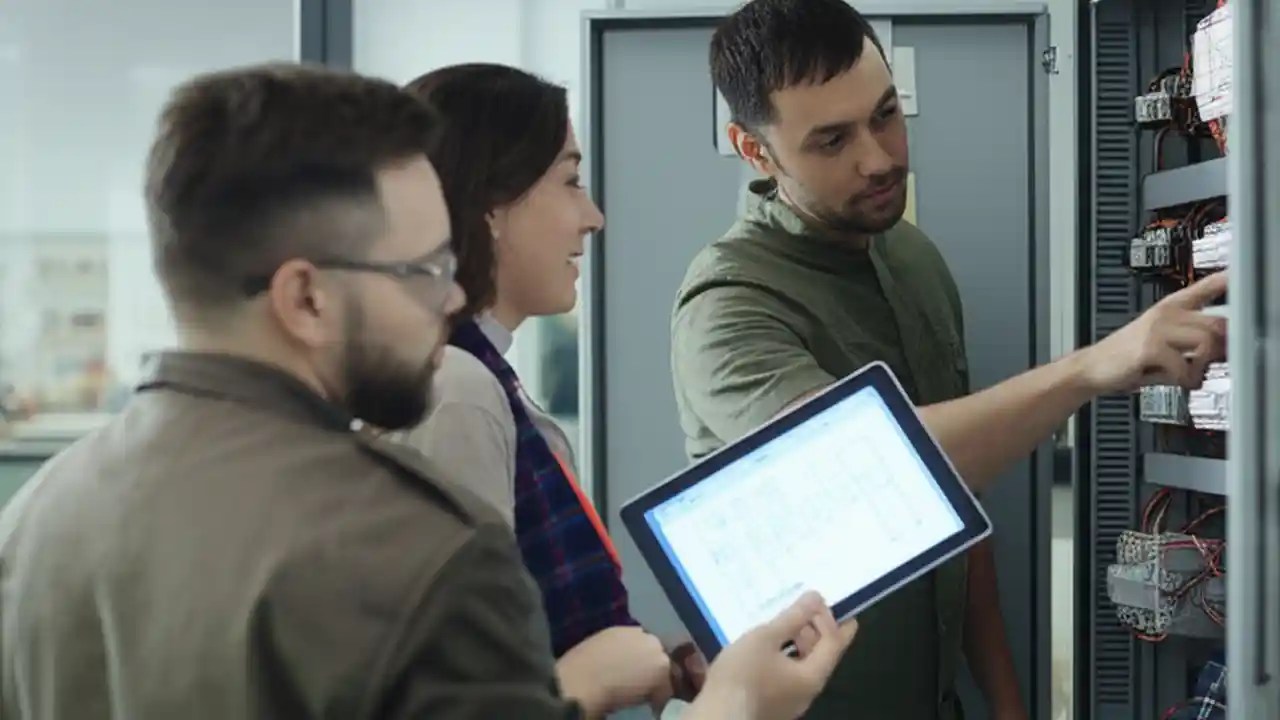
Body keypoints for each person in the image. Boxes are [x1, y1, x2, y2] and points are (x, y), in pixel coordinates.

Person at [0, 62, 855, 720]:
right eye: (423, 271)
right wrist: (733, 709)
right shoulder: (414, 553)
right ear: (304, 297)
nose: (450, 299)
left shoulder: (31, 524)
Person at [670, 1, 1229, 719]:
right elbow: (868, 466)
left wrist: (1006, 706)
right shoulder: (728, 303)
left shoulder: (912, 259)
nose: (878, 157)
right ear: (755, 150)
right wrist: (1095, 367)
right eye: (832, 140)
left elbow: (953, 510)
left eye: (885, 114)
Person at [394, 63, 706, 719]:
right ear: (491, 207)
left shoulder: (482, 379)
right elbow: (456, 700)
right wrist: (591, 683)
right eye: (570, 180)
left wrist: (650, 658)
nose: (592, 216)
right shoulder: (455, 392)